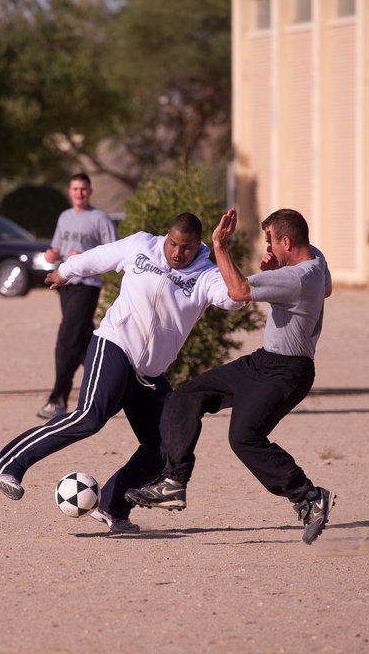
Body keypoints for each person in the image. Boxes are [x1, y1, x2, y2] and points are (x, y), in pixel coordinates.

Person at [0, 213, 244, 533]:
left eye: (186, 247)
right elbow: (99, 257)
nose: (177, 252)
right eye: (173, 243)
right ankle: (8, 466)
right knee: (89, 417)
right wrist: (64, 271)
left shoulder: (207, 273)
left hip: (150, 374)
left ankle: (112, 507)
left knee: (168, 447)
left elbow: (234, 300)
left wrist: (221, 249)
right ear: (166, 235)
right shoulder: (141, 246)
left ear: (199, 245)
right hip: (114, 347)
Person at [125, 208, 336, 545]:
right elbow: (324, 290)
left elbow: (237, 292)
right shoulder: (316, 262)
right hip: (264, 361)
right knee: (187, 395)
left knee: (244, 437)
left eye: (270, 243)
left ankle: (308, 497)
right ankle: (173, 481)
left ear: (287, 240)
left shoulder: (296, 278)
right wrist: (276, 270)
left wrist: (220, 246)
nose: (267, 250)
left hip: (288, 371)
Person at [36, 173, 118, 419]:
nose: (79, 192)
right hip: (65, 285)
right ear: (70, 191)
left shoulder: (100, 219)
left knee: (65, 340)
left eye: (83, 189)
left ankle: (57, 399)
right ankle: (115, 392)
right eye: (75, 188)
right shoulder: (65, 217)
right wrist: (52, 256)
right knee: (84, 345)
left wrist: (85, 255)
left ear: (90, 191)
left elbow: (113, 255)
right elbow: (58, 250)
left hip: (87, 285)